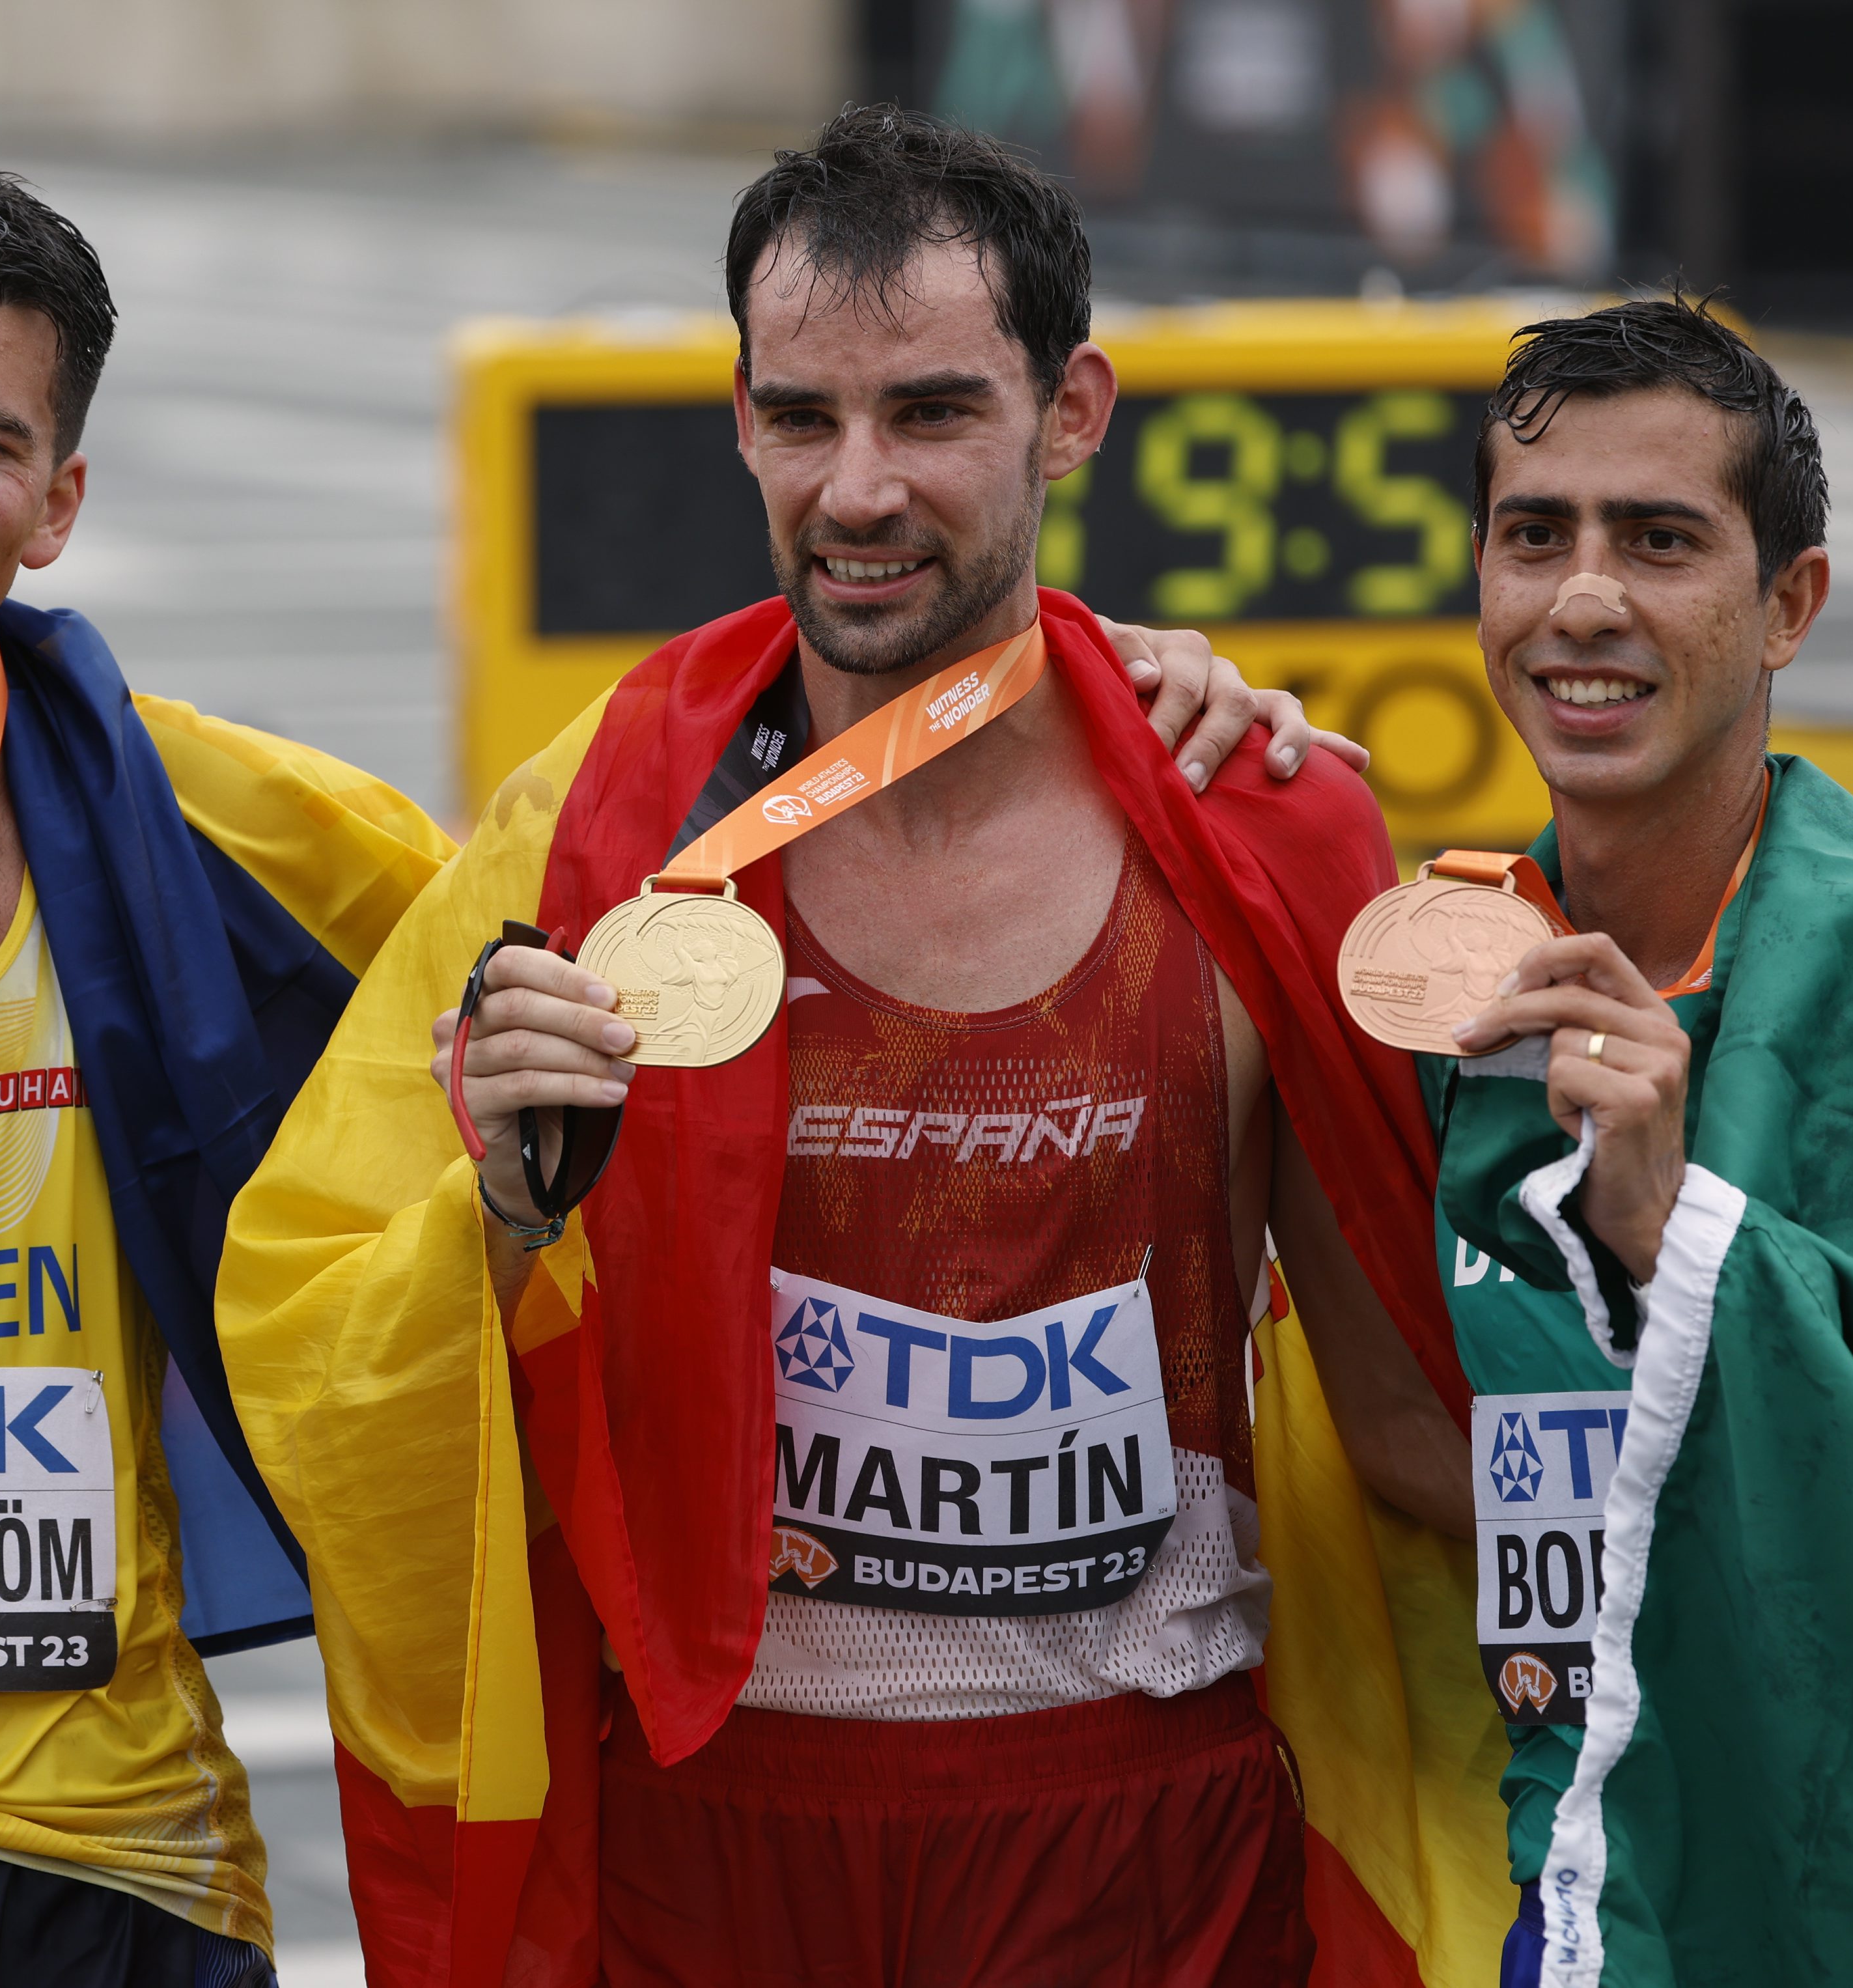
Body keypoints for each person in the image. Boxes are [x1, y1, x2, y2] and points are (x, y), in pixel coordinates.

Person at [0, 150, 1331, 1988]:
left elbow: (549, 1013)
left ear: (58, 500)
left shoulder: (245, 835)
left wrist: (1113, 685)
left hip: (128, 1849)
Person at [220, 107, 1505, 1985]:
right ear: (739, 417)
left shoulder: (1254, 822)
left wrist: (1765, 1519)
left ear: (1072, 411)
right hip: (714, 1843)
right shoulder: (594, 821)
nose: (857, 488)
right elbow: (313, 1310)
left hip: (1137, 1839)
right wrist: (493, 1217)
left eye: (928, 412)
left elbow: (1404, 1414)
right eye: (802, 417)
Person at [1425, 298, 1853, 1985]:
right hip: (1553, 1867)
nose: (1580, 598)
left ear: (1787, 604)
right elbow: (1398, 1445)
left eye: (1657, 541)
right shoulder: (1438, 976)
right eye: (1530, 535)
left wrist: (1672, 1228)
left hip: (1826, 1901)